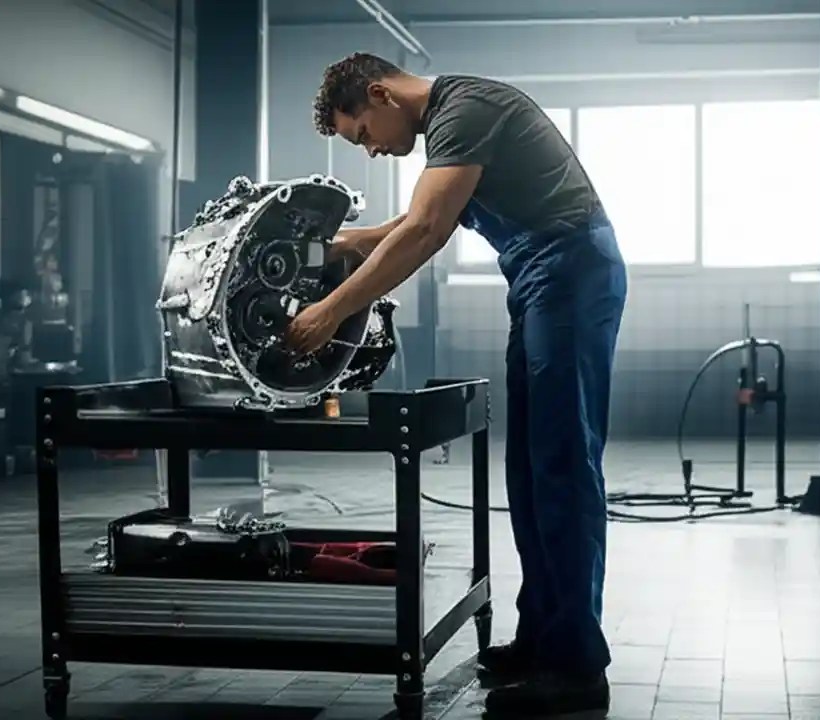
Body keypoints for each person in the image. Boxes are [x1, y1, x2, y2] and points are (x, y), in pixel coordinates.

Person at [289, 52, 627, 716]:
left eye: (362, 136)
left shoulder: (464, 110)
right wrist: (346, 243)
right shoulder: (453, 124)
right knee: (530, 472)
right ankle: (541, 640)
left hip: (571, 270)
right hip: (540, 277)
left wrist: (329, 311)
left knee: (562, 464)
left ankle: (577, 666)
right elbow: (413, 219)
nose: (374, 151)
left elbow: (426, 229)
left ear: (381, 95)